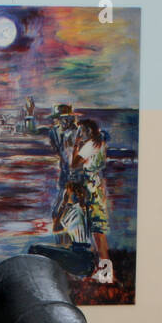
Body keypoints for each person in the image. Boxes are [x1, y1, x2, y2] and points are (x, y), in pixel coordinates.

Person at [71, 117, 110, 278]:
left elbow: (74, 163)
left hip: (91, 188)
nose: (80, 133)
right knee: (97, 230)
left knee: (97, 231)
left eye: (82, 130)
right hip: (96, 186)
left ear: (88, 131)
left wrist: (76, 144)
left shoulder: (90, 145)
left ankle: (106, 273)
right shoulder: (98, 143)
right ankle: (104, 270)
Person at [48, 103, 78, 238]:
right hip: (66, 166)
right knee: (64, 193)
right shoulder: (54, 131)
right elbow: (58, 150)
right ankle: (58, 221)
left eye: (66, 119)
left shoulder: (74, 131)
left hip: (72, 167)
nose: (62, 121)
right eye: (61, 118)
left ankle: (61, 221)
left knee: (68, 194)